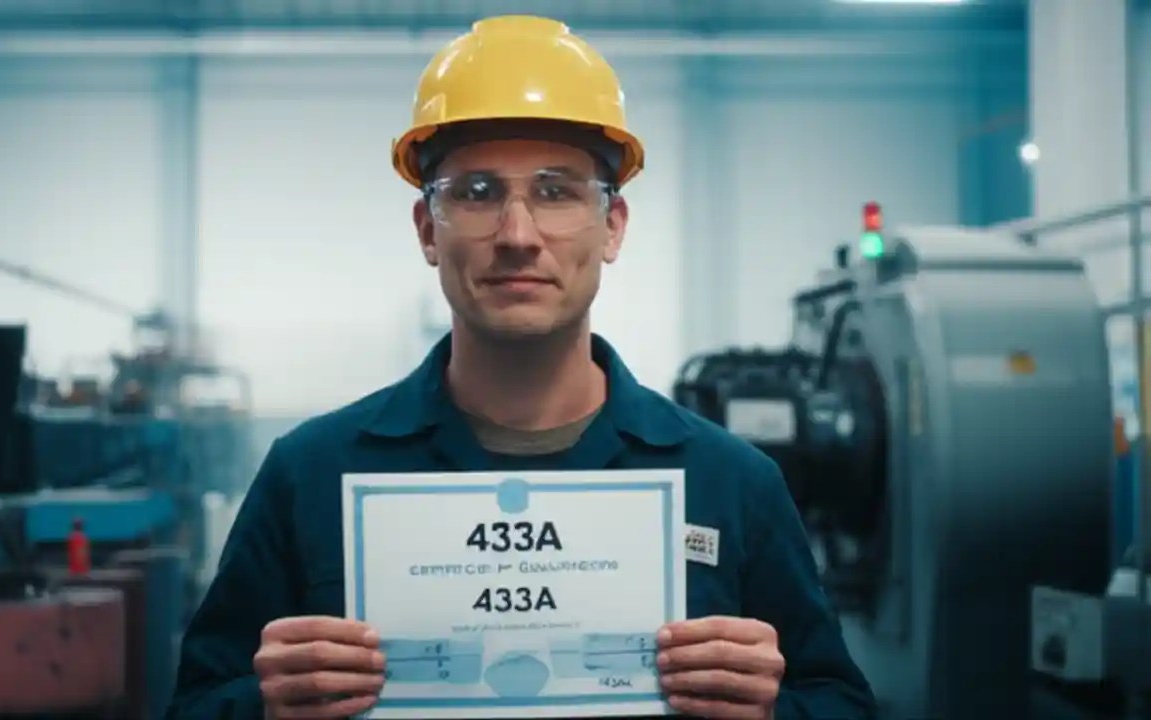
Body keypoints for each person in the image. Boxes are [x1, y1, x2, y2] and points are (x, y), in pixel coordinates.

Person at [165, 14, 876, 720]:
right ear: (426, 231)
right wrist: (263, 706)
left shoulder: (731, 483)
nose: (517, 234)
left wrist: (771, 709)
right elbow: (194, 705)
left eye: (556, 191)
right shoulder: (310, 475)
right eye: (475, 193)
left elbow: (842, 704)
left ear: (614, 227)